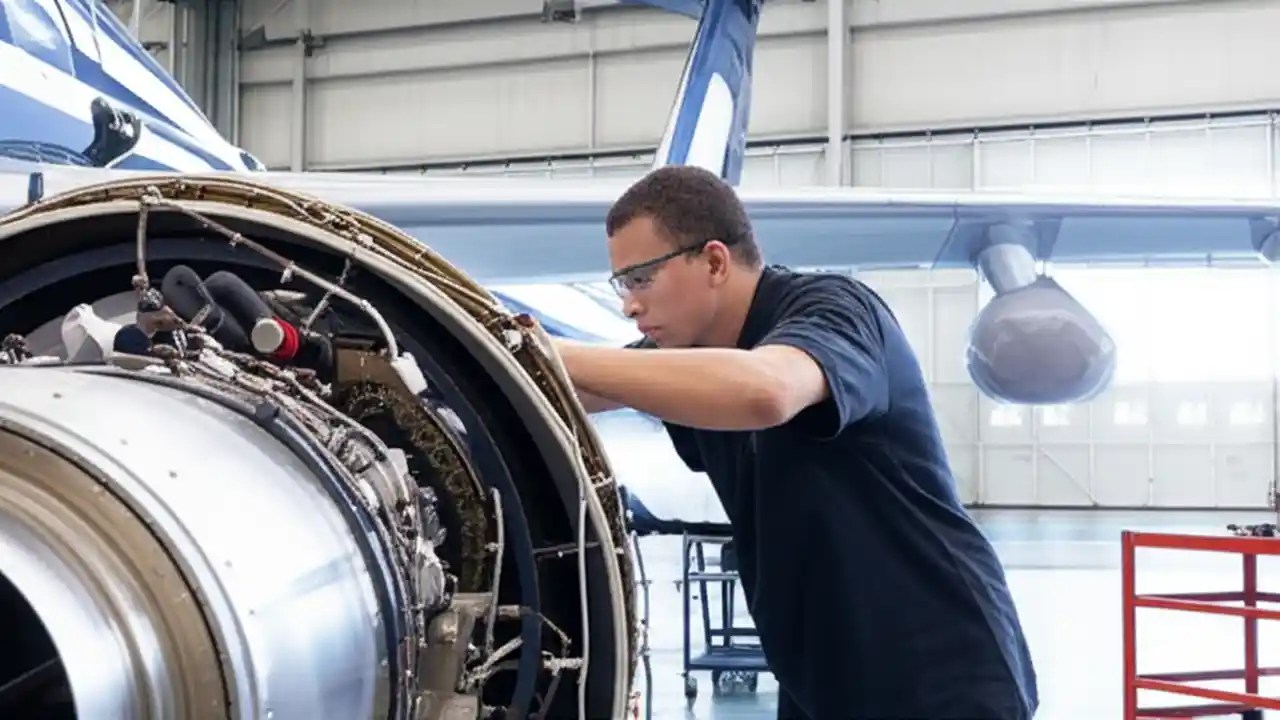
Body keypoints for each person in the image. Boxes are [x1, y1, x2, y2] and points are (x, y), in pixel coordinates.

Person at [549, 165, 1038, 720]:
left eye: (640, 279)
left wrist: (547, 350)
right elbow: (571, 386)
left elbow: (769, 390)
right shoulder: (685, 355)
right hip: (820, 674)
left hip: (938, 670)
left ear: (713, 261)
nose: (629, 306)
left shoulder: (834, 310)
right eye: (622, 285)